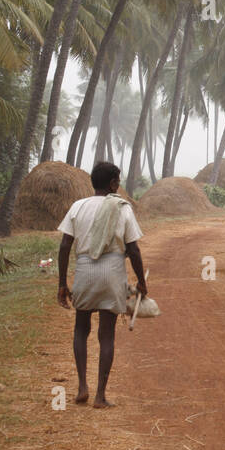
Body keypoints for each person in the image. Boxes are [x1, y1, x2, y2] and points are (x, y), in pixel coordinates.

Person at [56, 162, 147, 409]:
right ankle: (100, 396)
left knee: (80, 328)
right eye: (118, 181)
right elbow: (134, 250)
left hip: (85, 270)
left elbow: (65, 246)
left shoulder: (78, 207)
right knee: (106, 334)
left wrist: (62, 282)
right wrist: (142, 282)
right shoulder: (122, 208)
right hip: (113, 271)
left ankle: (82, 386)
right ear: (113, 184)